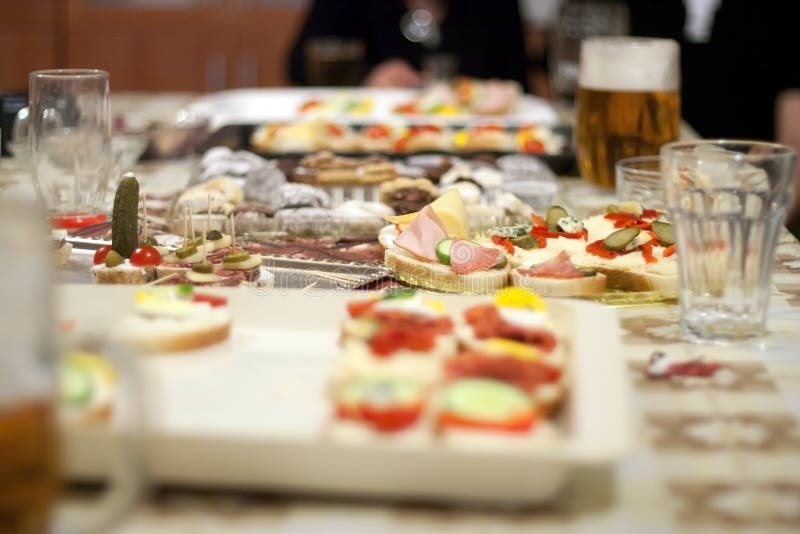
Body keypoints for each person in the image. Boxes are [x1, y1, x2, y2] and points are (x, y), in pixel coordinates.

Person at [287, 0, 529, 90]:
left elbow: (517, 81)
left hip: (474, 141)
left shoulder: (495, 5)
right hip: (367, 134)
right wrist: (367, 78)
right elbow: (298, 65)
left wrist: (468, 91)